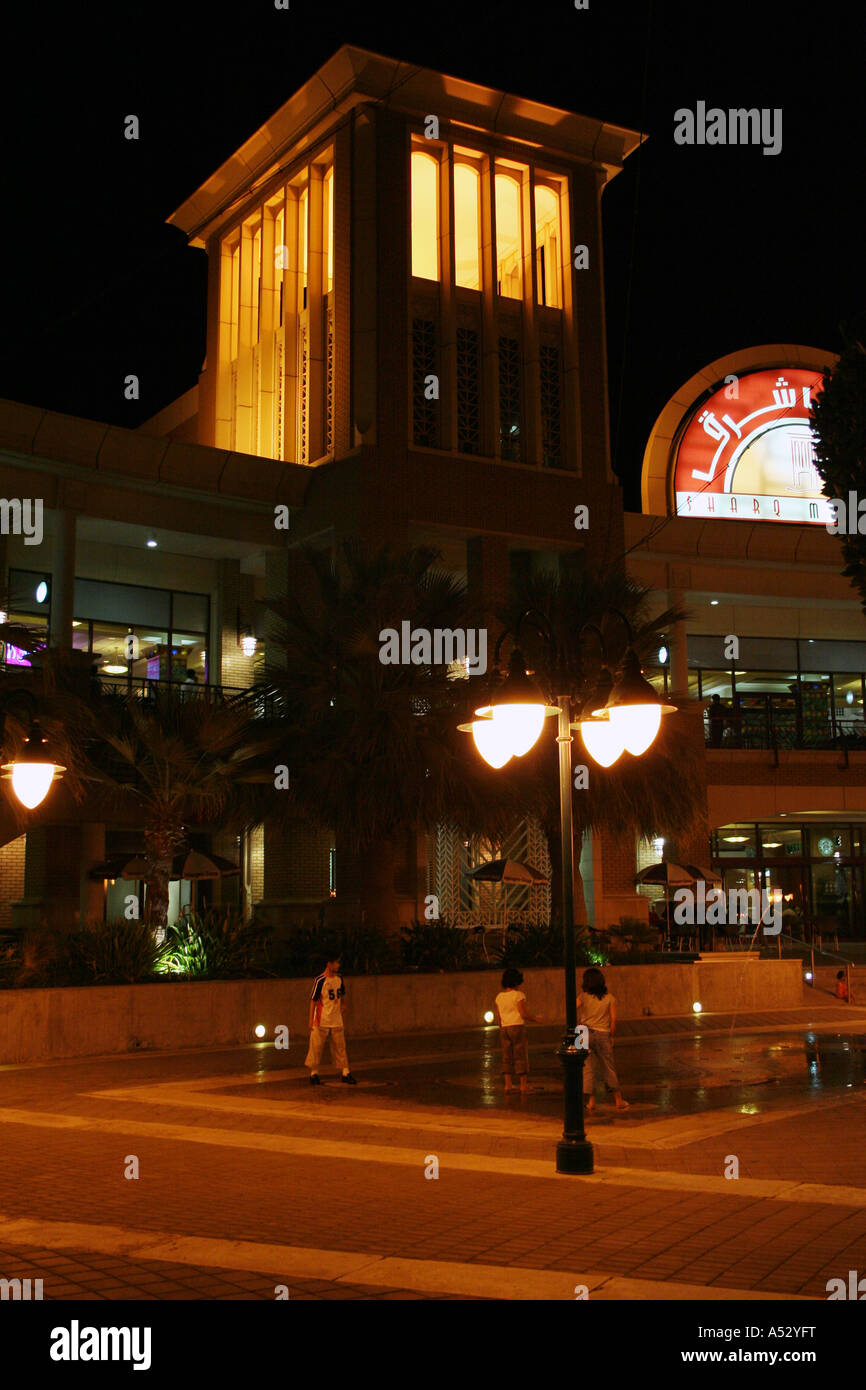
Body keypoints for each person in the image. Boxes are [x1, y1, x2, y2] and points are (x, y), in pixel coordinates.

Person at [577, 966, 629, 1112]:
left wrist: (578, 1025)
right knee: (608, 1067)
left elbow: (572, 1007)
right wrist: (611, 1036)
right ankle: (618, 1100)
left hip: (583, 1033)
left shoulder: (583, 997)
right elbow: (613, 1019)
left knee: (586, 1068)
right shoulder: (610, 998)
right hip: (602, 1033)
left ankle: (591, 1101)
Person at [305, 952, 357, 1085]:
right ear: (329, 964)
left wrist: (343, 1004)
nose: (338, 965)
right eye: (336, 962)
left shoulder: (339, 979)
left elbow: (341, 995)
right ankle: (314, 1073)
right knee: (316, 1047)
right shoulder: (320, 980)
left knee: (340, 1047)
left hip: (336, 1019)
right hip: (321, 1019)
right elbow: (313, 1000)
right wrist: (311, 1020)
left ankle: (345, 1072)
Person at [494, 967, 542, 1094]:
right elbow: (523, 1013)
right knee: (520, 1055)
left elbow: (498, 1016)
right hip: (517, 1027)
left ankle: (508, 1085)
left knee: (506, 1056)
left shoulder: (499, 997)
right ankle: (523, 1085)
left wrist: (502, 1026)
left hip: (504, 1028)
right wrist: (535, 1019)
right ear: (516, 982)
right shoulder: (518, 995)